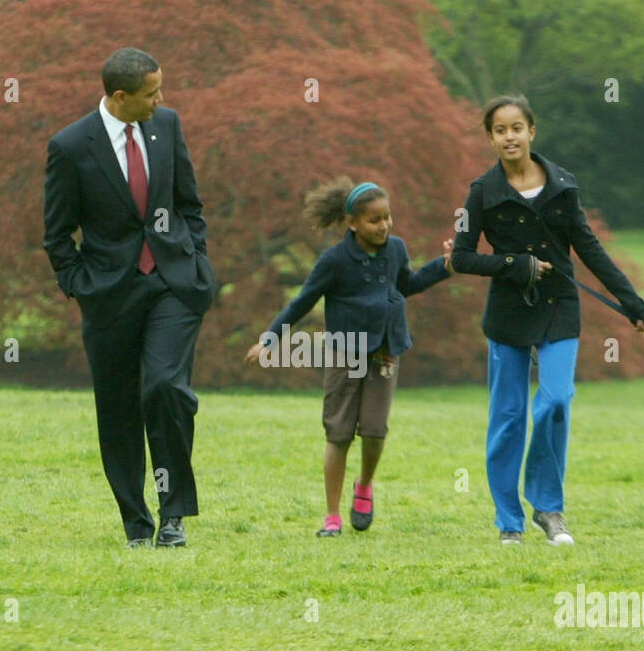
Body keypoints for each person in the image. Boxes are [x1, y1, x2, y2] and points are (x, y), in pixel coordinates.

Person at [451, 94, 644, 546]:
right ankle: (509, 523)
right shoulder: (482, 192)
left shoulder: (563, 186)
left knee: (557, 400)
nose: (510, 137)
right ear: (490, 137)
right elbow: (462, 257)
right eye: (500, 130)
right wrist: (512, 264)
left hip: (559, 307)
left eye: (517, 128)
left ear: (532, 131)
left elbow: (590, 249)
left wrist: (632, 304)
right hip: (507, 313)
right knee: (508, 417)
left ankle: (548, 508)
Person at [43, 48, 215, 548]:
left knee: (164, 388)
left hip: (173, 284)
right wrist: (80, 286)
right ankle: (136, 524)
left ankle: (174, 513)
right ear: (120, 97)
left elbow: (189, 203)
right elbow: (56, 233)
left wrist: (195, 259)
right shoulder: (71, 146)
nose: (161, 99)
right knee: (117, 408)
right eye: (151, 93)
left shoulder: (167, 126)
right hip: (108, 294)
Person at [245, 177, 453, 536]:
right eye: (374, 220)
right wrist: (270, 339)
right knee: (338, 433)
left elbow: (409, 284)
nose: (383, 225)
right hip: (345, 353)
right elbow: (302, 301)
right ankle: (332, 517)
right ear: (352, 223)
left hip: (386, 351)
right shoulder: (335, 260)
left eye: (387, 217)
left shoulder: (396, 249)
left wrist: (444, 266)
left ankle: (365, 485)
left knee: (374, 430)